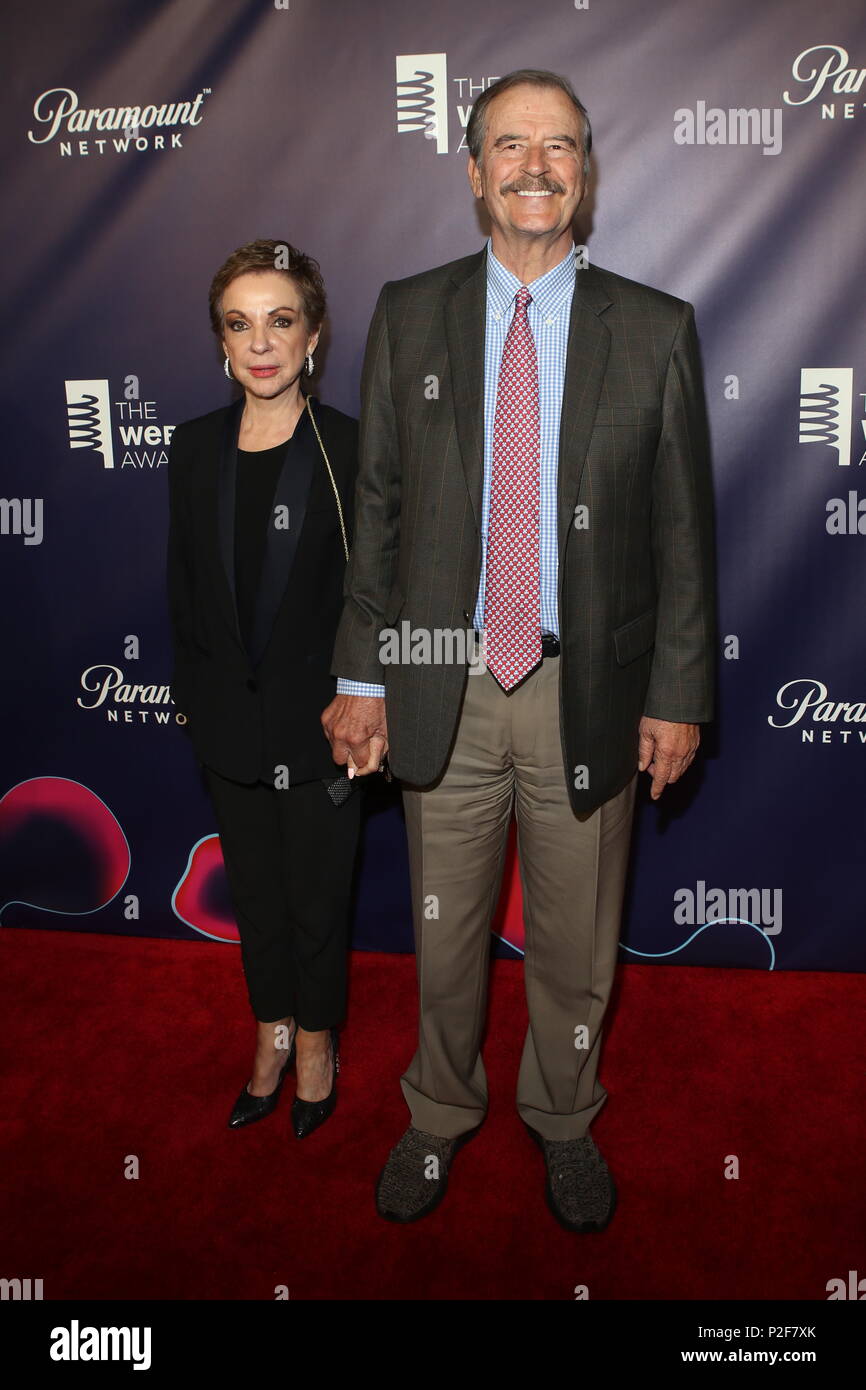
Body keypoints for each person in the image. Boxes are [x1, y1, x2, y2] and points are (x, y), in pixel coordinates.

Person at [322, 71, 716, 1228]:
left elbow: (683, 532)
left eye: (557, 147)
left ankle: (563, 1115)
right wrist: (359, 675)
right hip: (442, 675)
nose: (533, 167)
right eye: (508, 145)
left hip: (584, 686)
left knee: (576, 940)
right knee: (442, 937)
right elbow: (381, 507)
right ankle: (437, 1114)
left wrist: (676, 691)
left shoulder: (653, 329)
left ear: (583, 174)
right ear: (471, 169)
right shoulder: (409, 310)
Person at [167, 239, 361, 1139]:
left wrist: (371, 702)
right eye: (239, 324)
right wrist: (198, 702)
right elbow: (185, 590)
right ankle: (270, 1035)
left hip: (323, 728)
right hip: (229, 729)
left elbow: (377, 597)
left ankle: (317, 1045)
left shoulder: (349, 450)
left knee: (318, 899)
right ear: (220, 342)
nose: (262, 342)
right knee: (254, 894)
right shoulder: (194, 447)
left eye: (281, 320)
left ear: (313, 334)